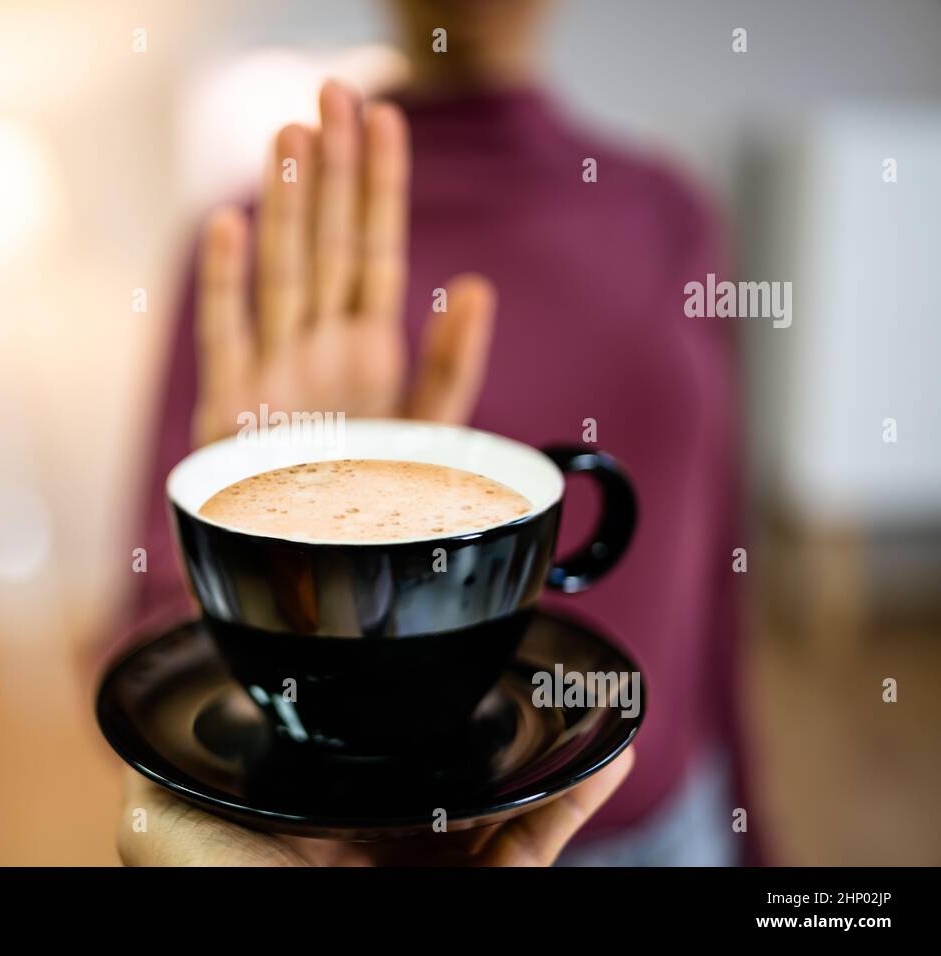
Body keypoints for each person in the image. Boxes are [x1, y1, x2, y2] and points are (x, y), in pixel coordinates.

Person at [112, 0, 758, 866]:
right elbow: (147, 611)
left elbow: (717, 570)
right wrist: (269, 552)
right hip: (363, 847)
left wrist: (759, 837)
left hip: (669, 830)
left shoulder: (671, 215)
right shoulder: (265, 241)